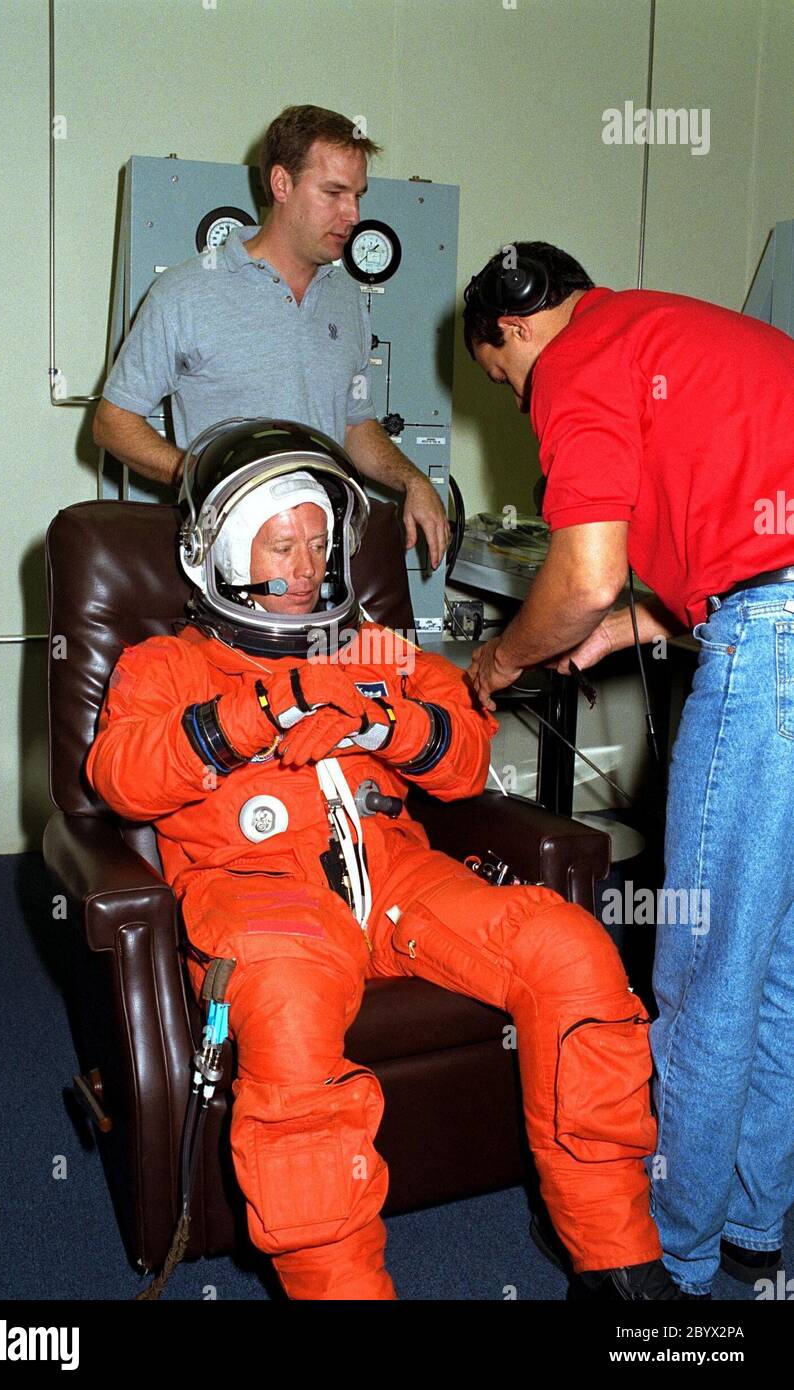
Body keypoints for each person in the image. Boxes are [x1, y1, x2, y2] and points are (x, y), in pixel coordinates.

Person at [85, 416, 685, 1302]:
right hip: (262, 902)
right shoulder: (166, 664)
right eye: (279, 545)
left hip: (401, 883)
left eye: (319, 544)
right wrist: (263, 708)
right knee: (289, 1026)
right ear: (214, 554)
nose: (303, 568)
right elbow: (122, 779)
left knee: (573, 951)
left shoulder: (374, 647)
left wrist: (385, 724)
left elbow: (466, 756)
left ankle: (618, 1258)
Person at [463, 240, 794, 1297]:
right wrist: (624, 629)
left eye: (500, 379)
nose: (518, 400)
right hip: (770, 607)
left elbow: (584, 565)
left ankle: (663, 1257)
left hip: (774, 642)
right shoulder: (672, 326)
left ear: (510, 329)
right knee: (778, 961)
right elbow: (741, 533)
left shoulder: (574, 359)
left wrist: (502, 655)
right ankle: (750, 1220)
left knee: (700, 970)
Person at [92, 103, 449, 571]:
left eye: (358, 194)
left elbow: (354, 426)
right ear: (282, 184)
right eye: (334, 193)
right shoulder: (186, 292)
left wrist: (413, 481)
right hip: (228, 563)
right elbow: (112, 422)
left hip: (325, 559)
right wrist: (198, 475)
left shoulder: (347, 298)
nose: (353, 214)